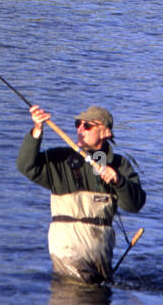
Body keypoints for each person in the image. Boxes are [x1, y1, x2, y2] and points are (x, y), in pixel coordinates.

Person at [17, 103, 145, 283]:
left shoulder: (120, 165)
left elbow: (134, 205)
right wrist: (37, 129)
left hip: (100, 257)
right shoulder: (60, 159)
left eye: (88, 126)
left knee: (96, 303)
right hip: (66, 254)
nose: (80, 129)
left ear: (106, 132)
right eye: (78, 125)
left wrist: (119, 181)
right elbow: (26, 166)